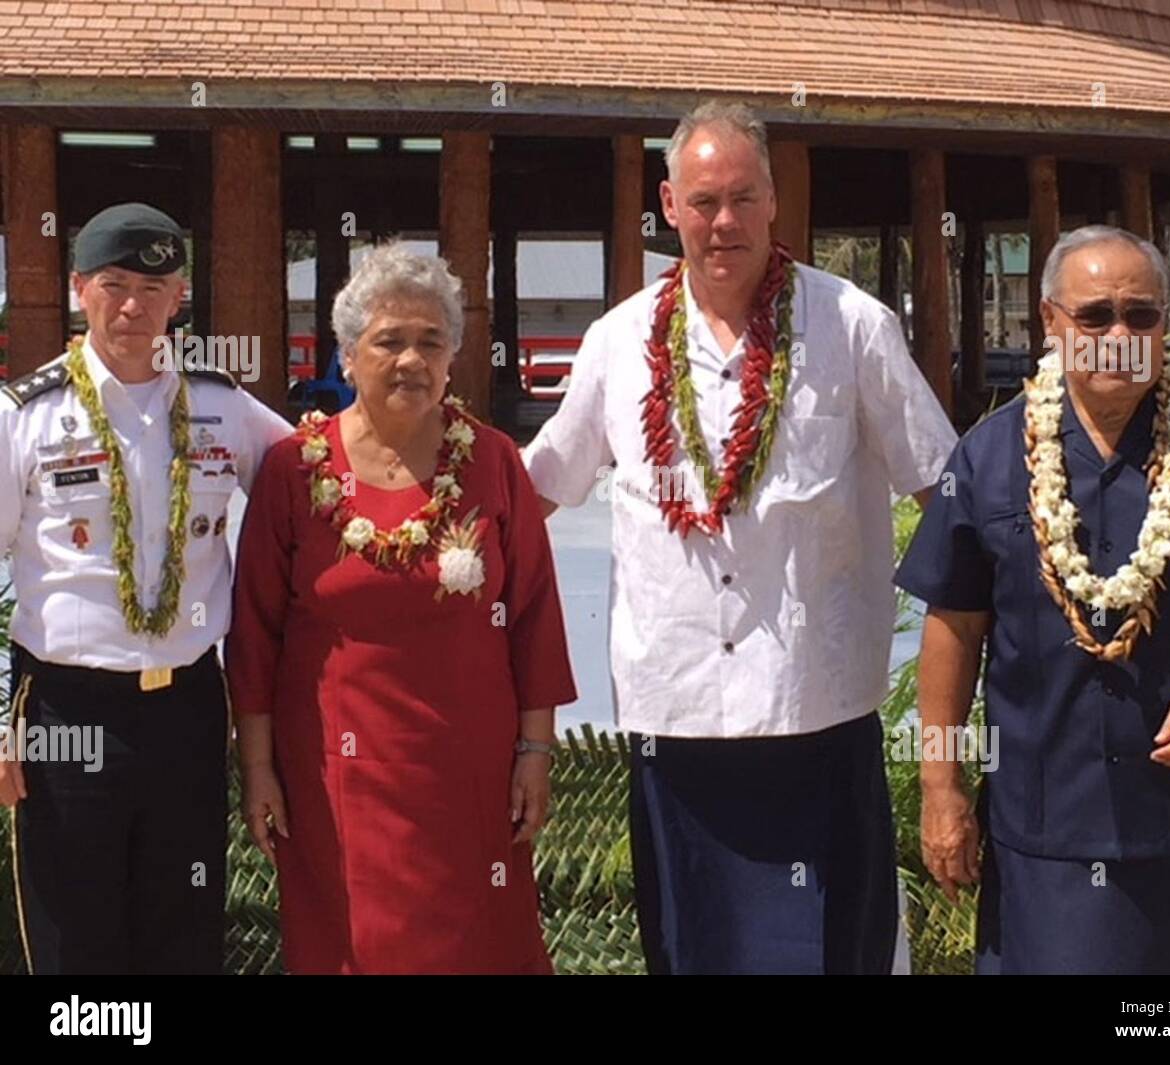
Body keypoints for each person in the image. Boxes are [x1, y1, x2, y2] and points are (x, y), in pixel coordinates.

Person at [523, 101, 957, 974]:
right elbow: (535, 488)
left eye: (743, 198)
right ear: (669, 204)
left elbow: (947, 493)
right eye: (705, 200)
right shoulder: (616, 341)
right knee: (693, 954)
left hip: (817, 712)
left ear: (772, 203)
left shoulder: (852, 326)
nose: (724, 222)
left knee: (836, 954)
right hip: (676, 722)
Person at [896, 225, 1170, 974]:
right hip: (1043, 829)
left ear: (1165, 324)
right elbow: (952, 629)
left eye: (1141, 315)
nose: (1119, 334)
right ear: (1050, 320)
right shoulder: (988, 459)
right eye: (1096, 315)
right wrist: (942, 786)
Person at [225, 243, 577, 974]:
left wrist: (535, 752)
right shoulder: (294, 470)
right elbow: (255, 633)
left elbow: (536, 613)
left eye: (430, 341)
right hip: (334, 779)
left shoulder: (493, 461)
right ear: (348, 356)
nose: (411, 359)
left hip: (470, 778)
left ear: (452, 358)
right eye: (389, 340)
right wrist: (258, 767)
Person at [0, 202, 291, 973]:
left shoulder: (224, 406)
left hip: (187, 708)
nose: (133, 305)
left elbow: (313, 484)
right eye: (113, 284)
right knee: (74, 934)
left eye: (153, 286)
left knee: (184, 927)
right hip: (68, 708)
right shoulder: (25, 416)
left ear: (179, 296)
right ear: (77, 289)